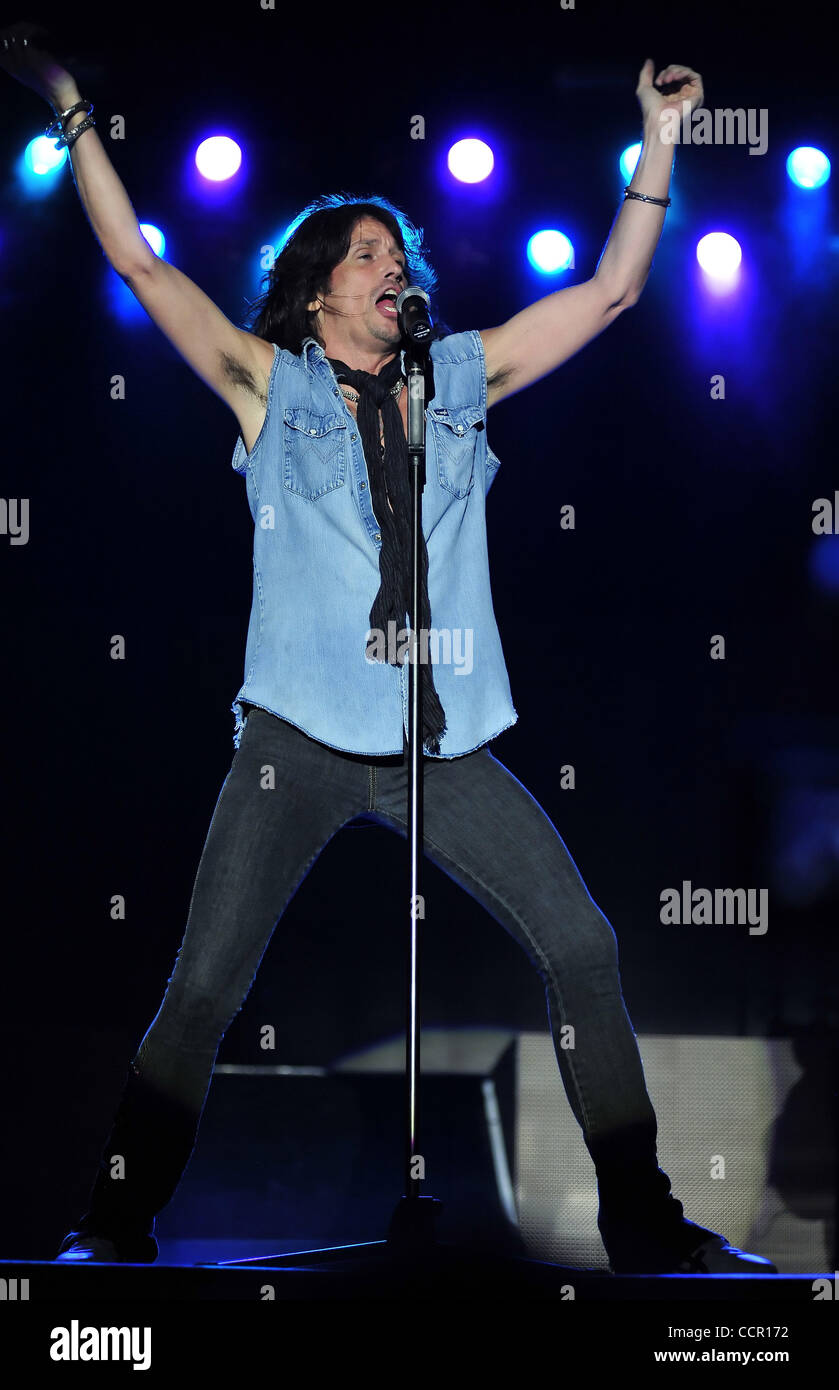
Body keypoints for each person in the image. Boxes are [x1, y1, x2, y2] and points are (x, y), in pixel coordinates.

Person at [2, 22, 776, 1274]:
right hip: (296, 740)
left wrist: (659, 136)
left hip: (438, 740)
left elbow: (609, 290)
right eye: (365, 255)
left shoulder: (461, 377)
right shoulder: (273, 385)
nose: (391, 266)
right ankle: (110, 1223)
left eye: (399, 254)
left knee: (581, 942)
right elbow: (145, 272)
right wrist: (76, 105)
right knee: (204, 985)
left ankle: (642, 1222)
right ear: (319, 292)